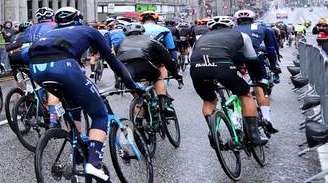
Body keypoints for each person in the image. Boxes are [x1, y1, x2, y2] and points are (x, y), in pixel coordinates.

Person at [25, 7, 145, 183]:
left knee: (74, 106)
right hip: (64, 66)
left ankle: (78, 149)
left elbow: (22, 54)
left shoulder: (49, 34)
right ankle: (93, 164)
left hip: (37, 70)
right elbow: (114, 63)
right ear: (79, 19)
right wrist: (132, 86)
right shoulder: (89, 30)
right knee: (99, 115)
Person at [190, 15, 268, 148]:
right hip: (222, 66)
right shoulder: (241, 35)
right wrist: (258, 78)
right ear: (231, 26)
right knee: (245, 94)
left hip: (197, 69)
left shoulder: (202, 38)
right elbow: (252, 59)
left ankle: (213, 133)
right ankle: (254, 136)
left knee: (209, 101)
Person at [114, 21, 176, 105]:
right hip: (145, 66)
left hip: (126, 71)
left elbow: (116, 59)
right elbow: (167, 58)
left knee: (139, 98)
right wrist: (176, 74)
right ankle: (163, 104)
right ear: (142, 32)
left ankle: (140, 111)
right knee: (158, 78)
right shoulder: (150, 40)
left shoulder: (119, 44)